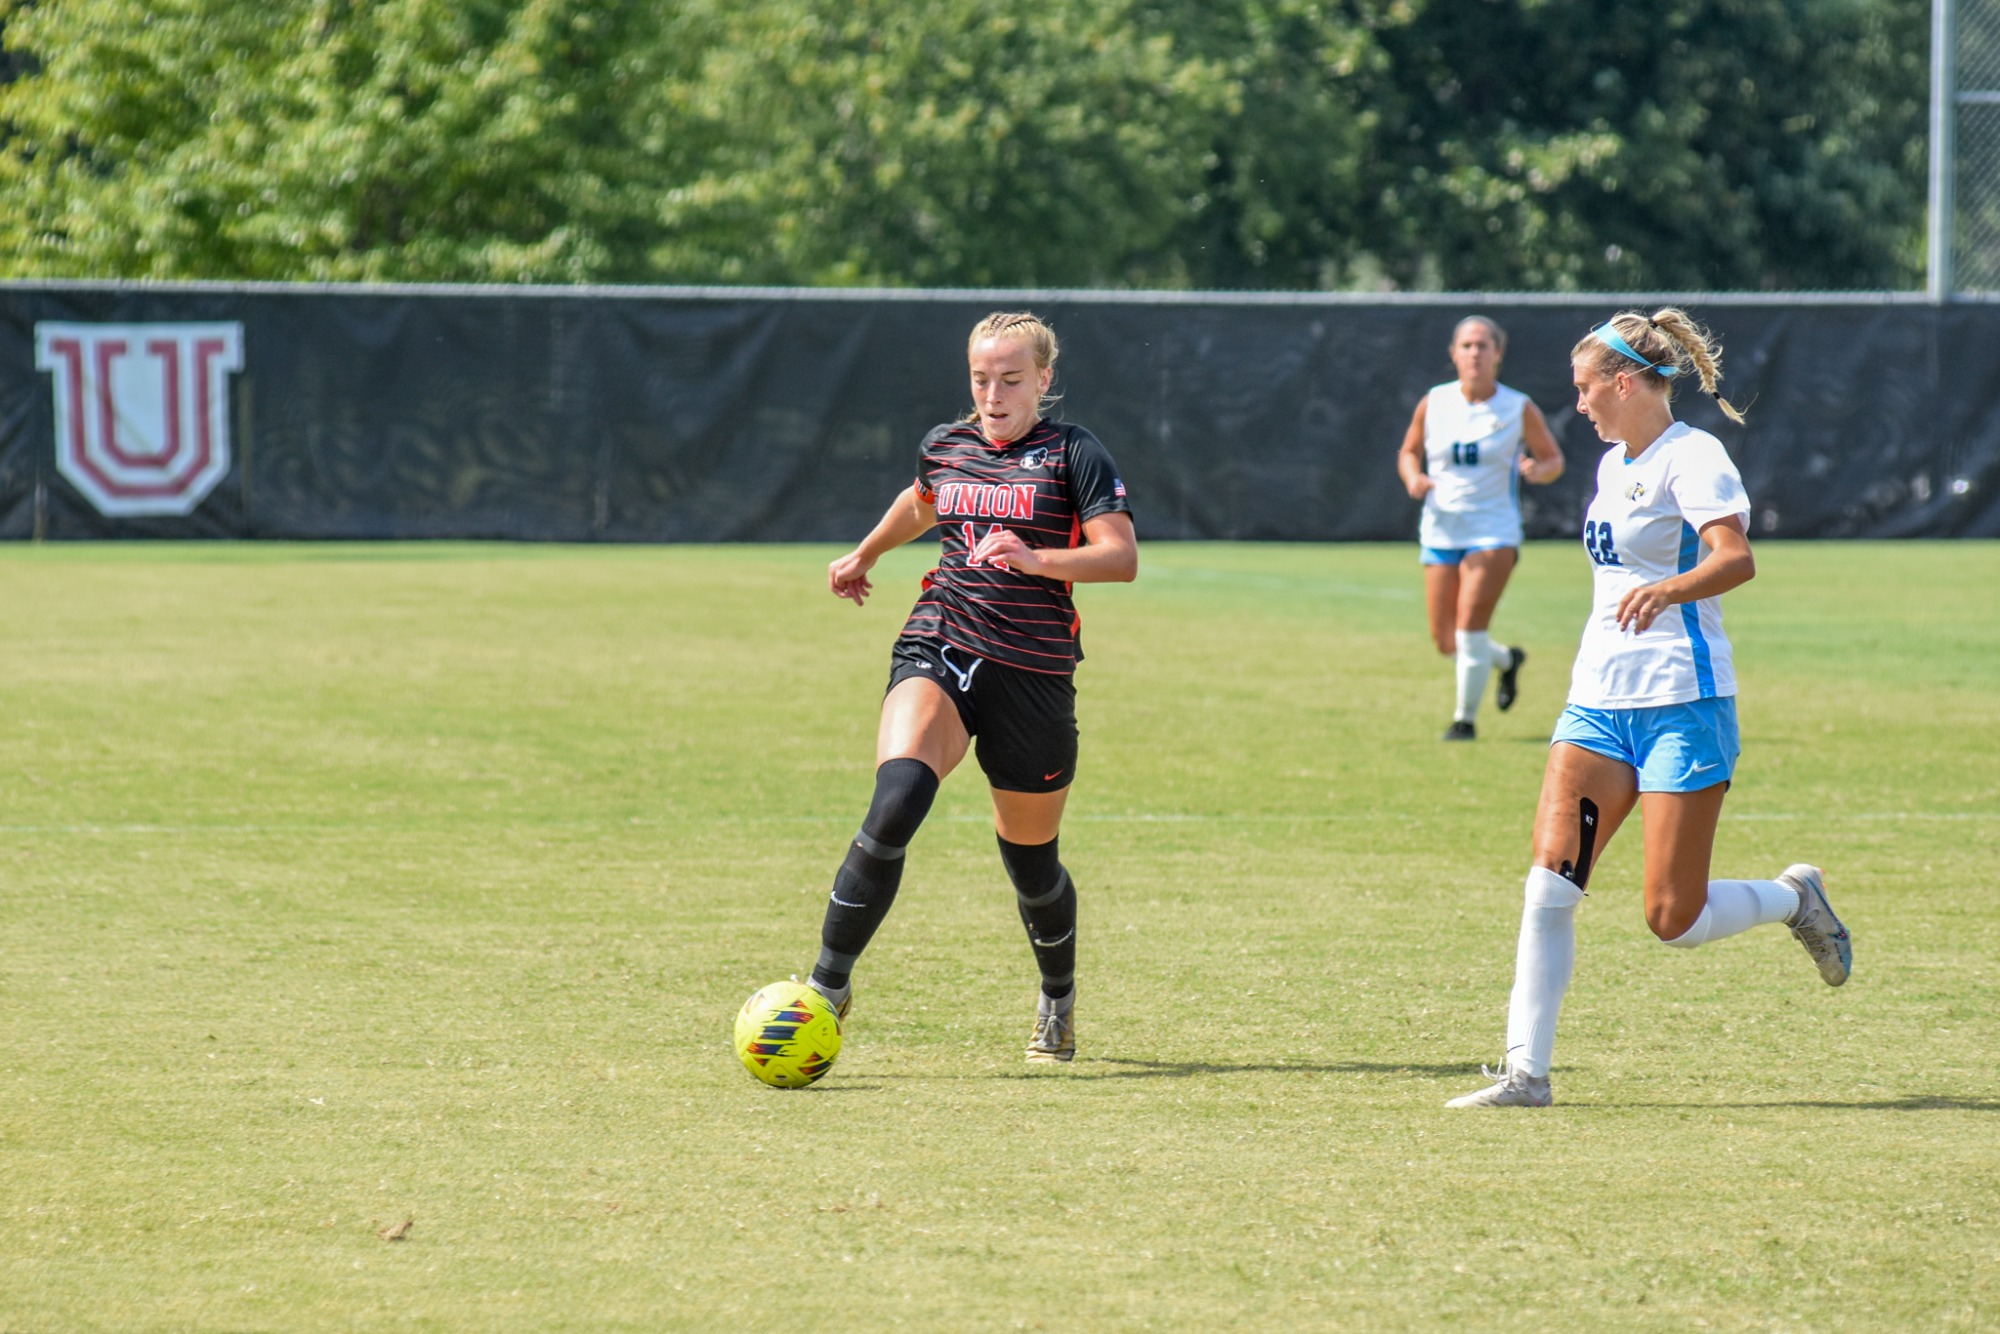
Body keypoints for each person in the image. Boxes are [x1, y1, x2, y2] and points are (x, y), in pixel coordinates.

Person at [1447, 308, 1852, 1109]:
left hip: (1682, 704)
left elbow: (1734, 558)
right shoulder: (1612, 464)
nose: (1580, 405)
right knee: (1548, 889)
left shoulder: (1694, 456)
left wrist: (1668, 588)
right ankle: (1526, 1075)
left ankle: (1794, 898)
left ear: (1624, 382)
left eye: (1586, 388)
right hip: (1596, 704)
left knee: (1675, 916)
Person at [802, 311, 1137, 1064]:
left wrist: (1036, 558)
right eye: (981, 379)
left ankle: (1057, 998)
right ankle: (826, 988)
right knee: (896, 800)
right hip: (941, 639)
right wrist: (863, 555)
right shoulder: (947, 446)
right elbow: (924, 501)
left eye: (1011, 380)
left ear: (1044, 380)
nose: (993, 394)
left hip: (1035, 674)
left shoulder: (1072, 453)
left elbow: (1119, 558)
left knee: (1032, 862)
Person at [1396, 316, 1566, 740]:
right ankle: (1507, 661)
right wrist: (1413, 477)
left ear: (1498, 354)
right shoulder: (1434, 402)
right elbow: (1408, 452)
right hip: (1441, 528)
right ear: (1453, 353)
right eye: (1467, 346)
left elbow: (1553, 459)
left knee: (1470, 627)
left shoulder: (1516, 406)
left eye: (1483, 345)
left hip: (1494, 530)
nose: (1475, 353)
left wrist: (1537, 471)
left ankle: (1463, 722)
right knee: (1445, 640)